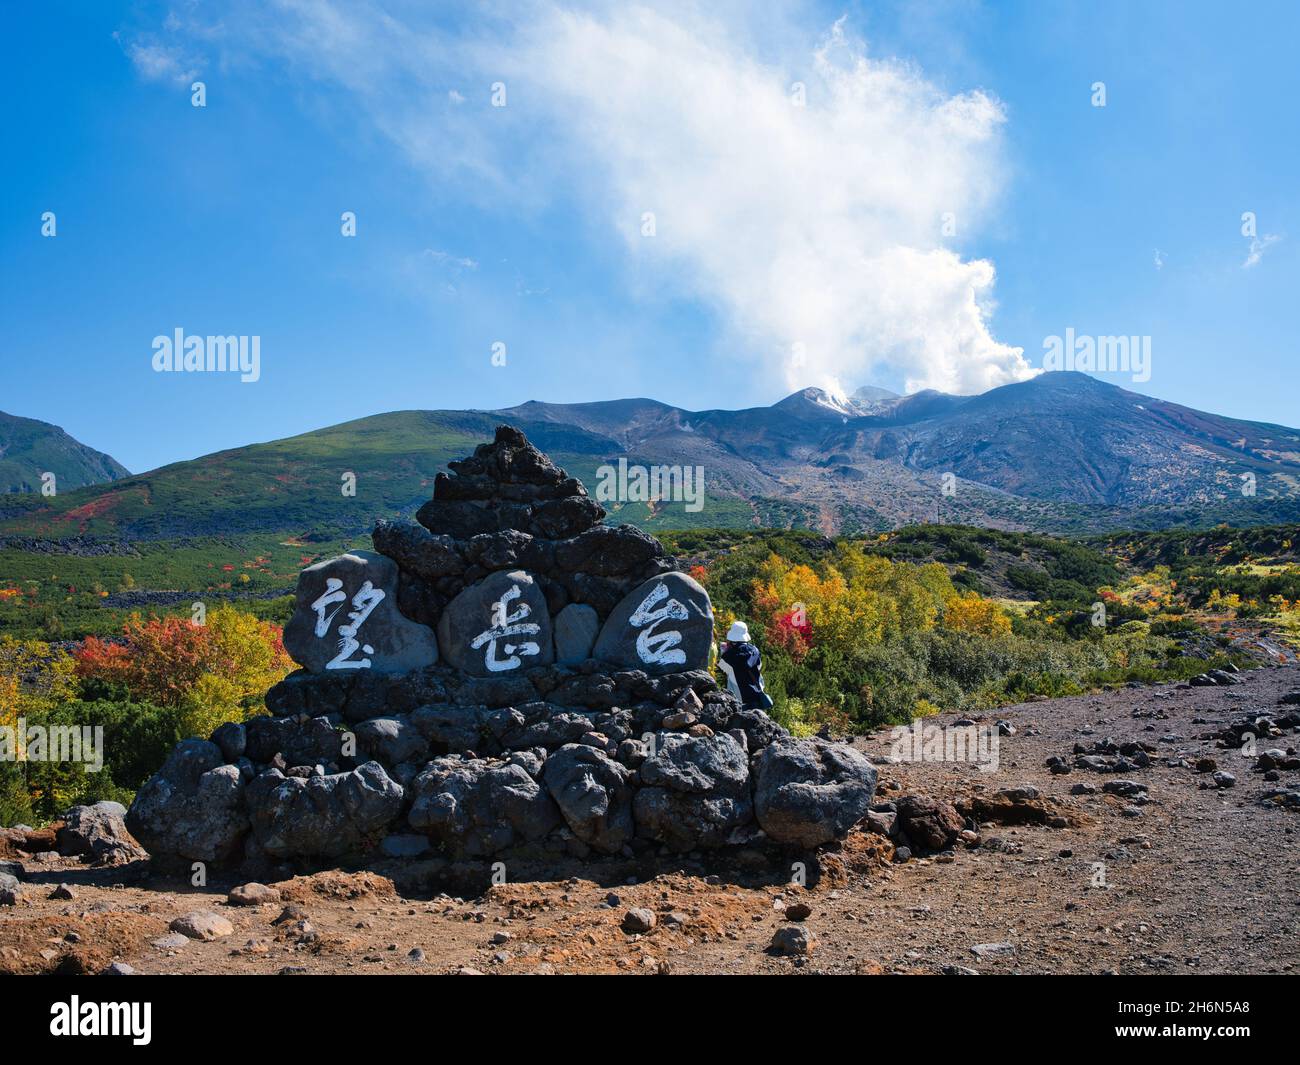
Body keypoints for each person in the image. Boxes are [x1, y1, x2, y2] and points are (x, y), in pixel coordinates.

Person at [717, 620, 772, 710]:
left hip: (738, 699)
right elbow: (759, 666)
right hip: (756, 696)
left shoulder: (729, 655)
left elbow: (723, 670)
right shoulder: (755, 650)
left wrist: (723, 653)